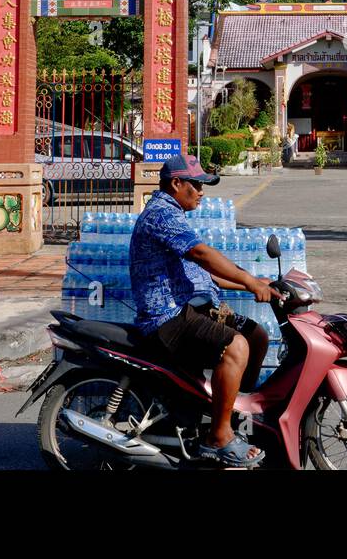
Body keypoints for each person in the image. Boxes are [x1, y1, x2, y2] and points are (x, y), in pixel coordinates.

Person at [130, 154, 277, 467]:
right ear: (176, 183)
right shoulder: (161, 214)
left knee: (257, 335)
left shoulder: (174, 213)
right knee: (236, 347)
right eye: (196, 184)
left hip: (188, 307)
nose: (201, 191)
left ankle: (232, 416)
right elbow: (201, 254)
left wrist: (255, 283)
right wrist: (250, 281)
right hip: (166, 316)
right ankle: (218, 437)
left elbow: (205, 273)